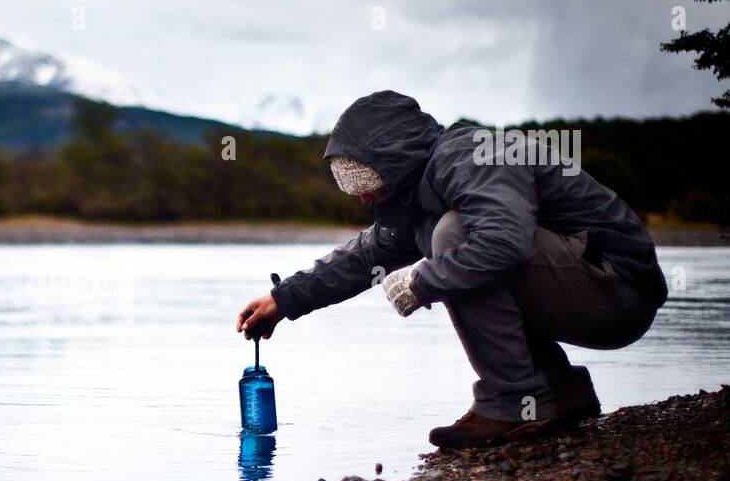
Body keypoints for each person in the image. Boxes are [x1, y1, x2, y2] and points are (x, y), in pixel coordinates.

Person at [235, 90, 668, 448]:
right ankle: (560, 392)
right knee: (453, 241)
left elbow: (504, 241)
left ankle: (511, 402)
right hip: (580, 284)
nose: (362, 197)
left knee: (454, 238)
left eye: (362, 179)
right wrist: (283, 300)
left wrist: (422, 281)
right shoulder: (412, 196)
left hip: (618, 291)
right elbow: (366, 255)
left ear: (392, 157)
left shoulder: (473, 157)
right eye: (350, 186)